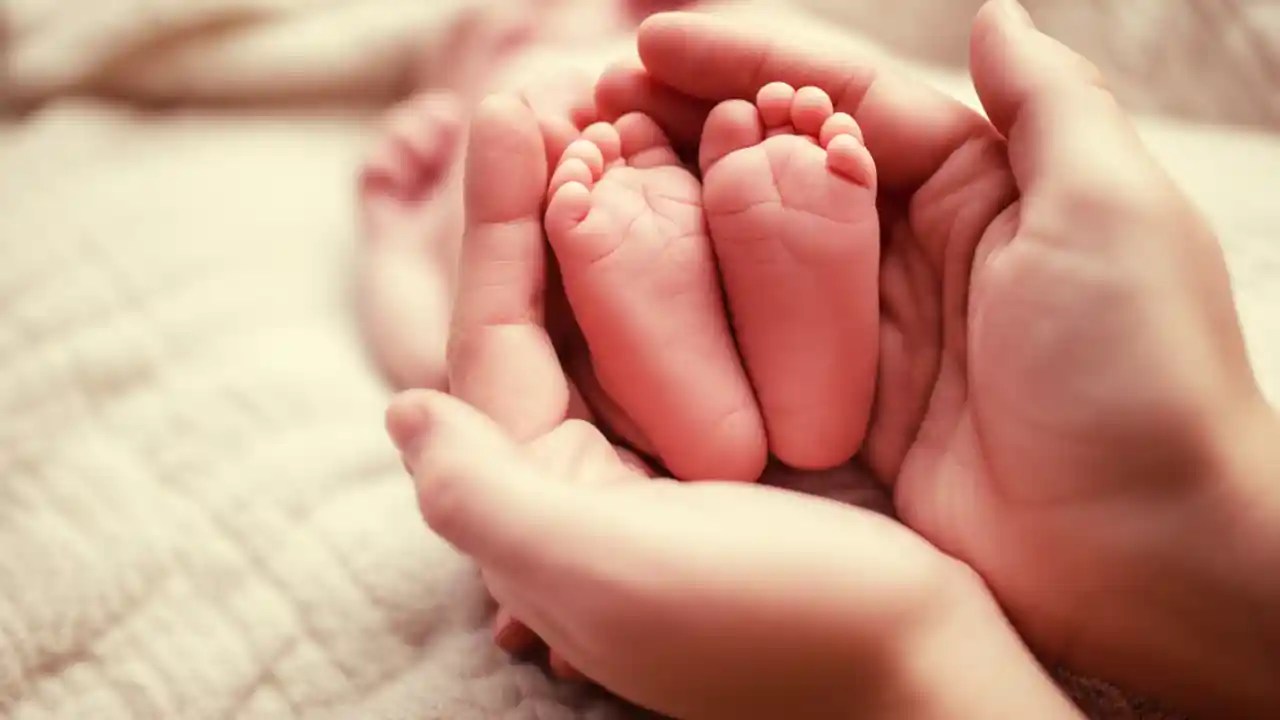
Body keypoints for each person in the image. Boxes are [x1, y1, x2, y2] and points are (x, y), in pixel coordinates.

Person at [384, 1, 1280, 718]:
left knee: (488, 335)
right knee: (485, 330)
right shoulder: (459, 139)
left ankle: (707, 367)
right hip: (629, 222)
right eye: (480, 31)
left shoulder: (652, 60)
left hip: (604, 223)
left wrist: (393, 246)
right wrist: (394, 225)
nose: (512, 19)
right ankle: (744, 356)